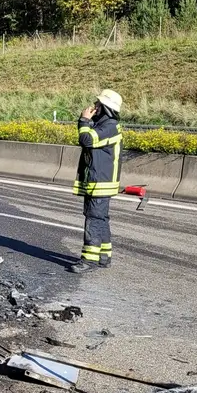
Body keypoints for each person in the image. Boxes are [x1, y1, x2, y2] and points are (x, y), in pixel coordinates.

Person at [68, 89, 123, 273]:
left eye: (98, 104)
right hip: (98, 181)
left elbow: (86, 139)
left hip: (100, 182)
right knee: (101, 218)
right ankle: (103, 256)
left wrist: (83, 120)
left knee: (94, 219)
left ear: (106, 107)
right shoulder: (104, 125)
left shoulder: (110, 127)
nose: (95, 106)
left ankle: (88, 260)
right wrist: (88, 122)